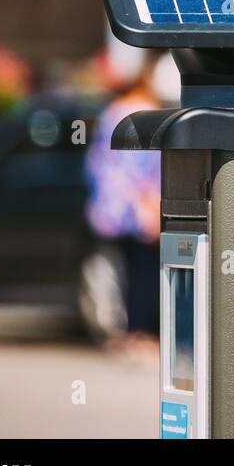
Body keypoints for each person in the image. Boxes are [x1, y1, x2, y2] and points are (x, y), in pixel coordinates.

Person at [84, 45, 163, 354]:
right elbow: (148, 169)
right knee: (146, 274)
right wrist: (149, 205)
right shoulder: (146, 114)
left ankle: (130, 331)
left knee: (126, 272)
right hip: (140, 210)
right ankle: (142, 333)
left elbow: (96, 166)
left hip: (113, 210)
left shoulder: (110, 114)